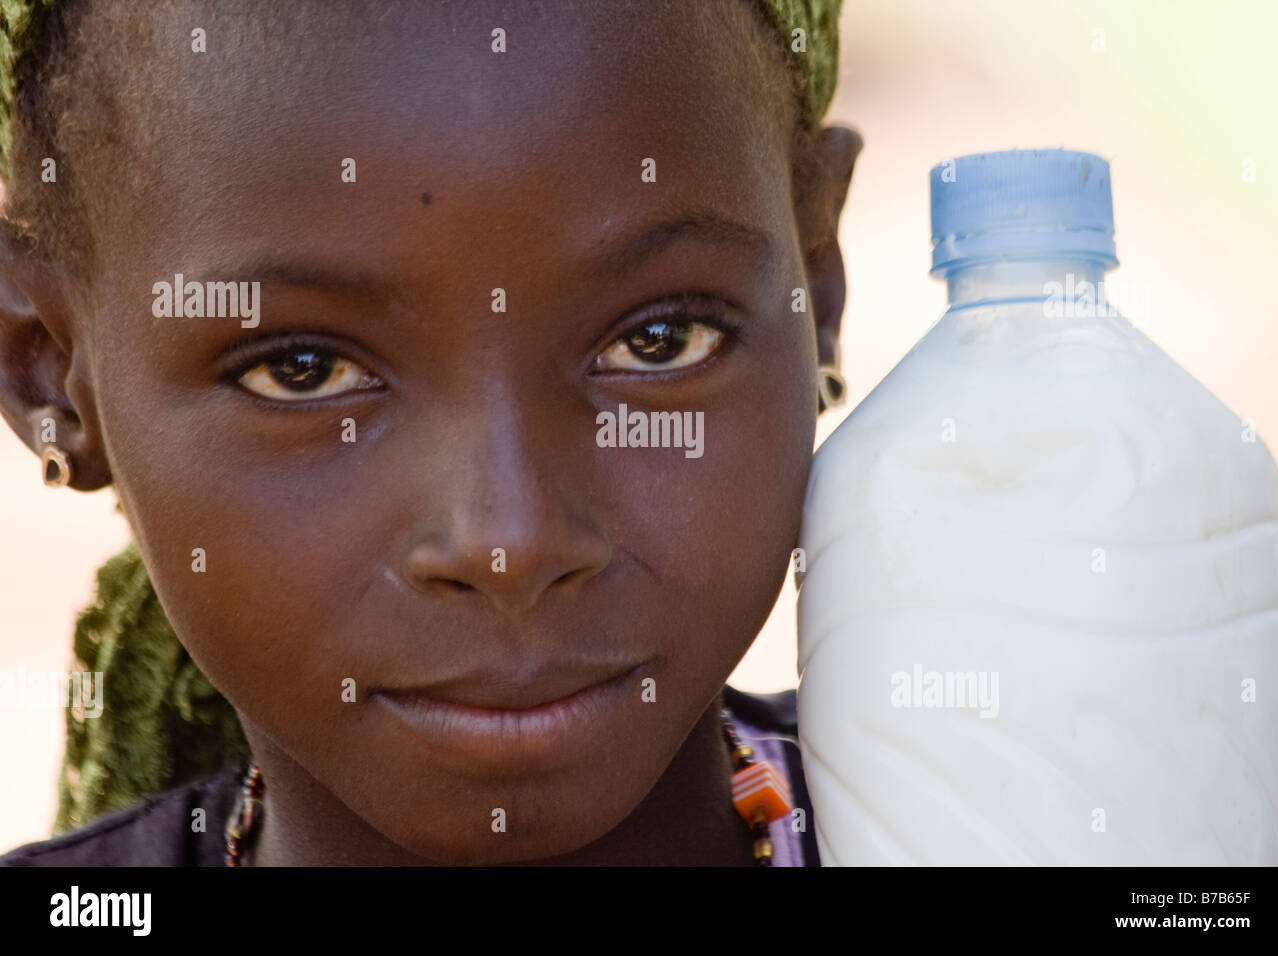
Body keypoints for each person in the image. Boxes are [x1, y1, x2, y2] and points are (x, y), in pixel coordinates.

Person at [0, 0, 862, 865]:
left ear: (815, 282)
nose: (509, 544)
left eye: (659, 341)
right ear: (48, 373)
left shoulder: (982, 821)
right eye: (302, 369)